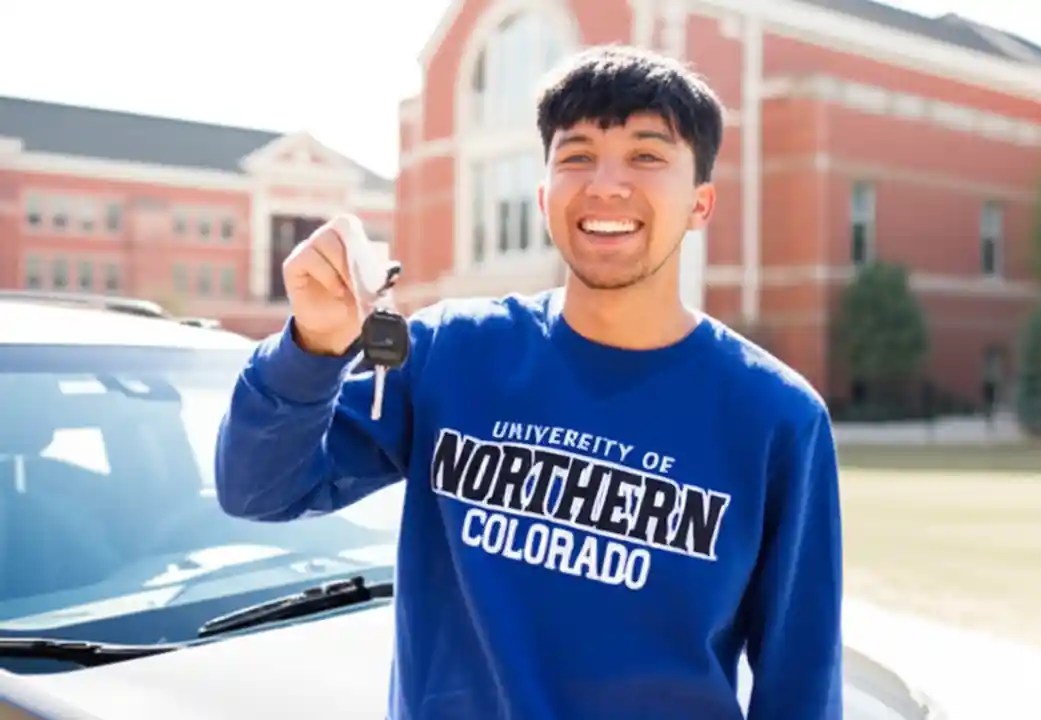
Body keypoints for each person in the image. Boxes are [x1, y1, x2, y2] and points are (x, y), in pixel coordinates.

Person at [215, 44, 843, 720]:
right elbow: (258, 488)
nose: (605, 184)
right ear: (544, 195)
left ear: (701, 202)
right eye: (576, 156)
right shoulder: (452, 354)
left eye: (647, 156)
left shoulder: (775, 417)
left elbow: (801, 682)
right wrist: (311, 347)